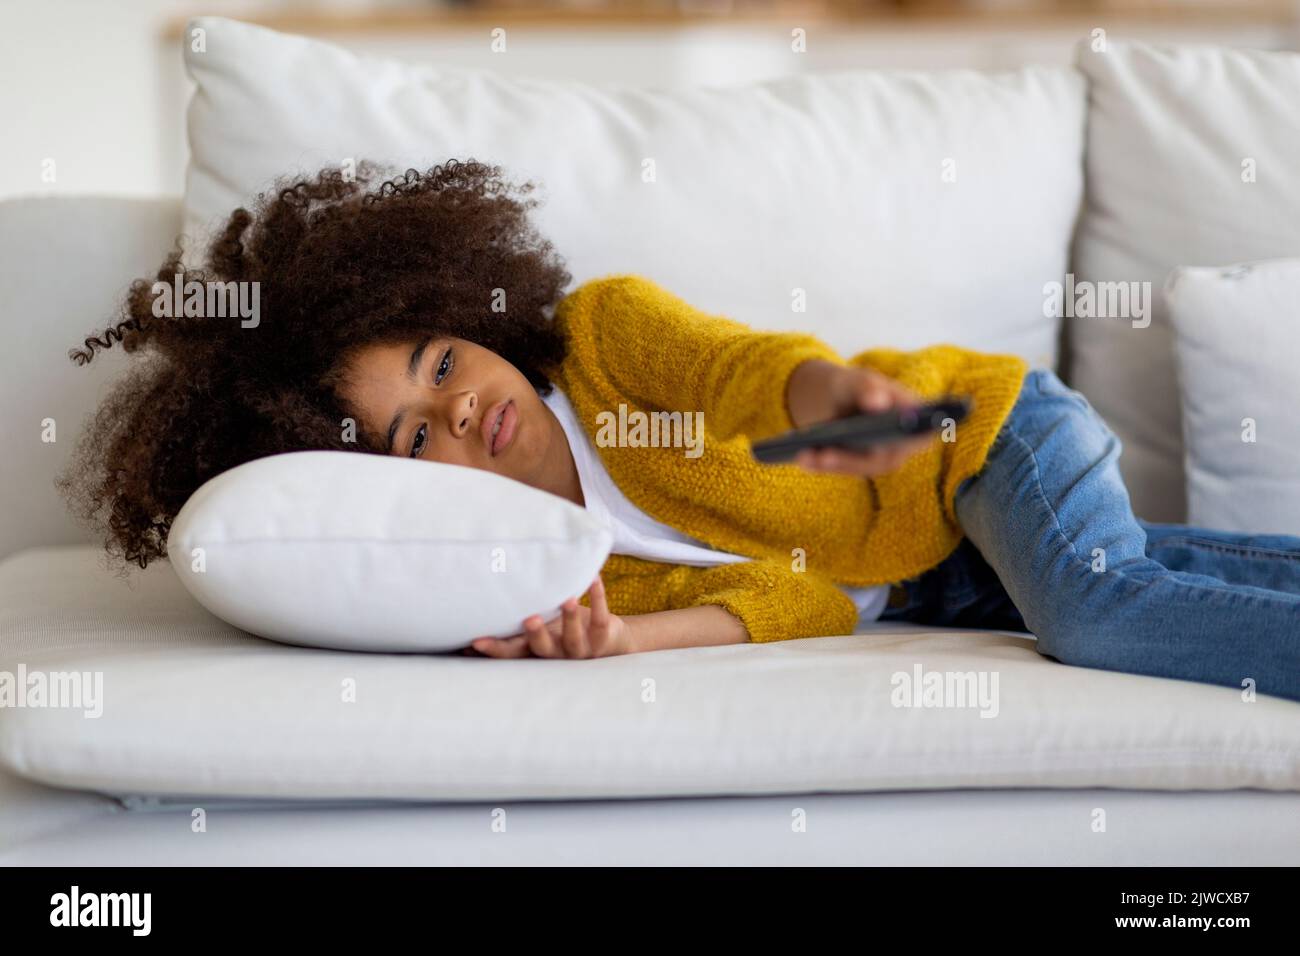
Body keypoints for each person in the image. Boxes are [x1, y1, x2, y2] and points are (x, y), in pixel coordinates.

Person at [61, 160, 1300, 703]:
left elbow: (753, 375)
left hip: (968, 435)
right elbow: (810, 601)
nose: (456, 406)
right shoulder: (557, 562)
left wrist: (837, 402)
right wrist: (620, 640)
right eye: (410, 435)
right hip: (932, 569)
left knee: (1093, 610)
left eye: (441, 359)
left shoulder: (606, 339)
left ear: (462, 308)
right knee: (1153, 580)